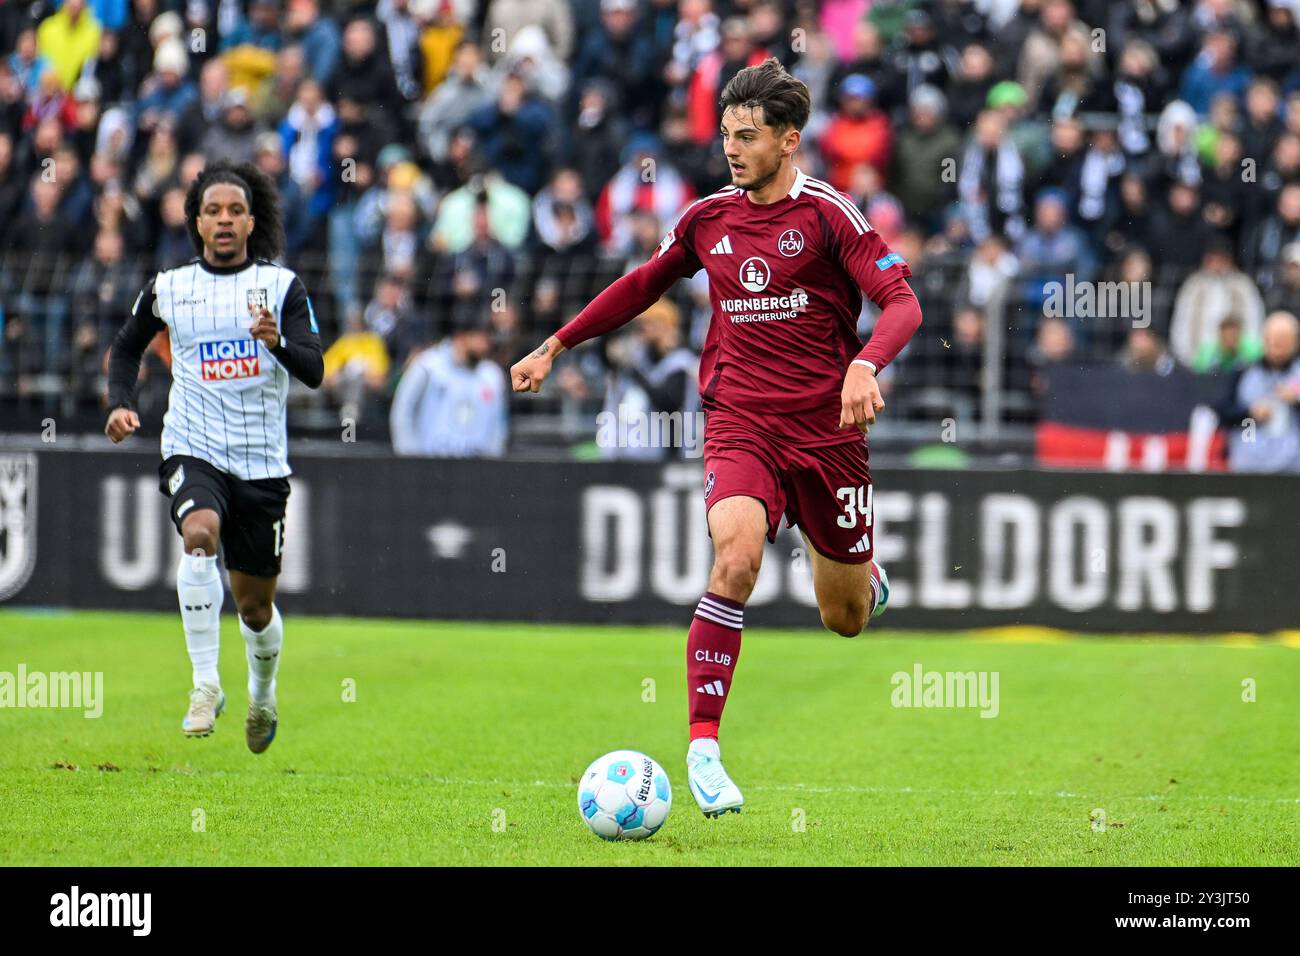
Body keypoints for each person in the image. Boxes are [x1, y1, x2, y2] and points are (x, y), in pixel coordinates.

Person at [509, 59, 922, 818]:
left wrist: (865, 365)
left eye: (748, 136)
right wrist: (556, 345)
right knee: (735, 557)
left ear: (789, 140)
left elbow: (902, 303)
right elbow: (641, 285)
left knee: (845, 620)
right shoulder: (708, 219)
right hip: (740, 422)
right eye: (726, 135)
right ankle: (703, 747)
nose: (731, 149)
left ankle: (867, 581)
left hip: (828, 436)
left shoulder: (831, 213)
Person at [104, 159, 324, 753]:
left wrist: (277, 343)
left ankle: (262, 694)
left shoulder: (282, 288)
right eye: (212, 211)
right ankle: (205, 685)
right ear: (196, 222)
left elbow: (316, 371)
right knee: (198, 534)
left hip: (261, 462)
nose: (223, 221)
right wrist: (120, 403)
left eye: (234, 211)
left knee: (255, 609)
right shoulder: (169, 287)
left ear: (252, 221)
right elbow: (125, 350)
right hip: (192, 445)